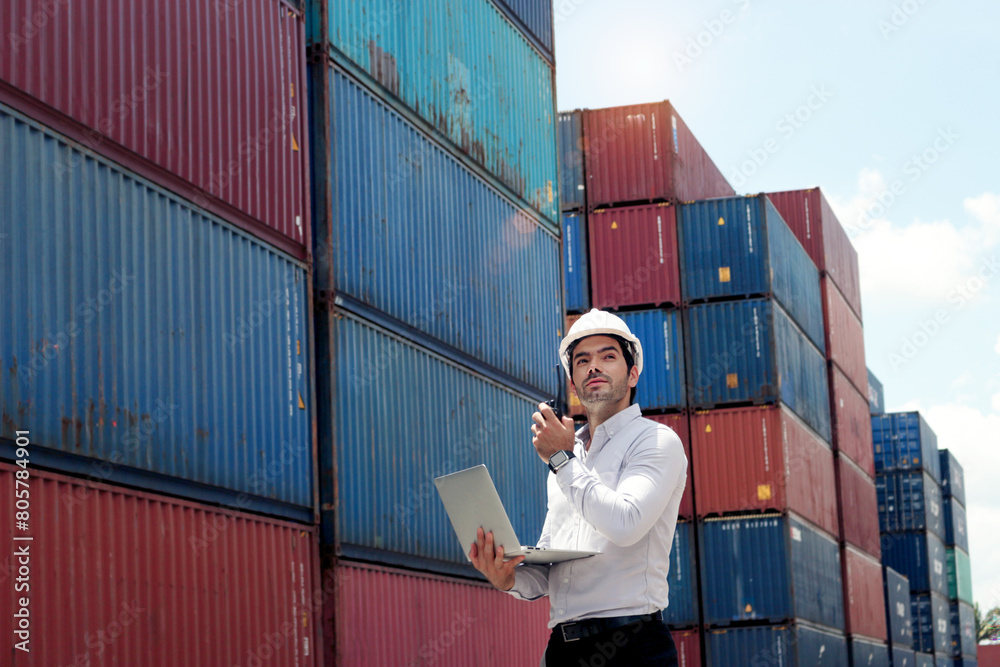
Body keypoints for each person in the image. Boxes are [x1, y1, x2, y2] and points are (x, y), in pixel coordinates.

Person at [468, 308, 688, 666]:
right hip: (563, 649)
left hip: (632, 645)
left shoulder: (656, 441)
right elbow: (552, 567)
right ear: (573, 383)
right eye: (582, 360)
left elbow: (626, 522)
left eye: (608, 356)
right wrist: (507, 576)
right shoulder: (569, 455)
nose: (593, 367)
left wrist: (561, 461)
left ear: (633, 374)